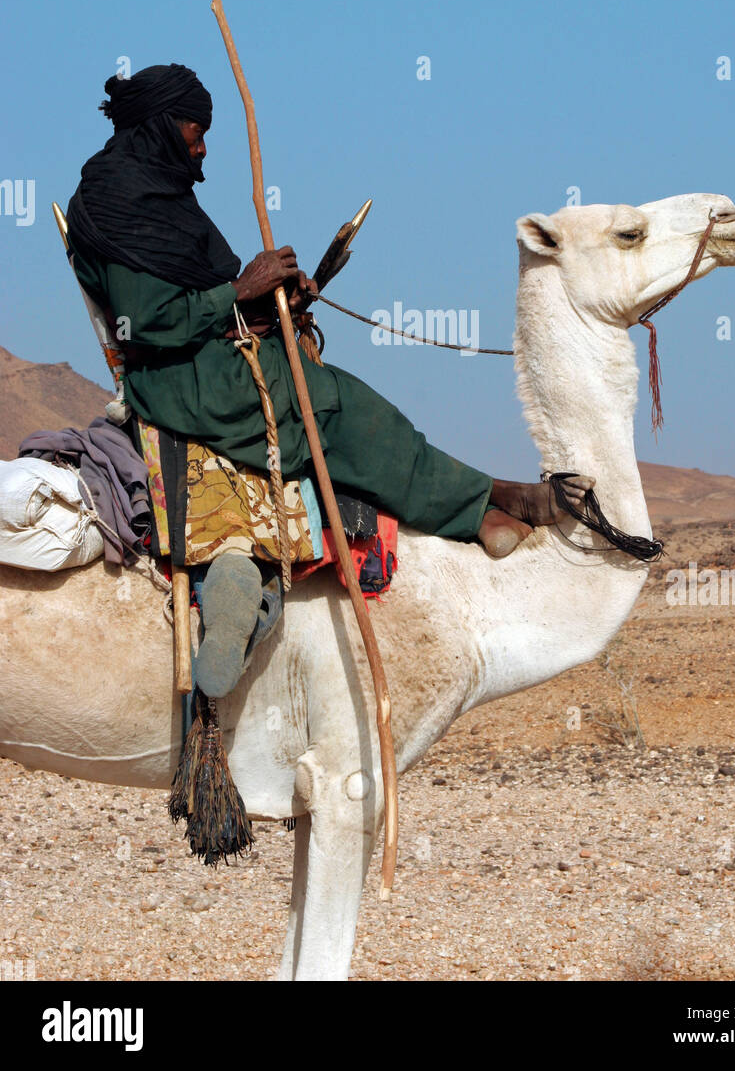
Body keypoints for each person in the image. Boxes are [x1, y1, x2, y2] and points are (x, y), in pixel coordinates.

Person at [66, 64, 593, 695]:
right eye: (194, 130)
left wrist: (278, 298)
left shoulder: (166, 198)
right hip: (179, 382)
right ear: (159, 125)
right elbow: (146, 324)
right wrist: (241, 290)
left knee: (334, 390)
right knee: (335, 404)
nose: (203, 147)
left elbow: (213, 294)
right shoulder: (114, 202)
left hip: (211, 358)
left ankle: (486, 501)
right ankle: (483, 505)